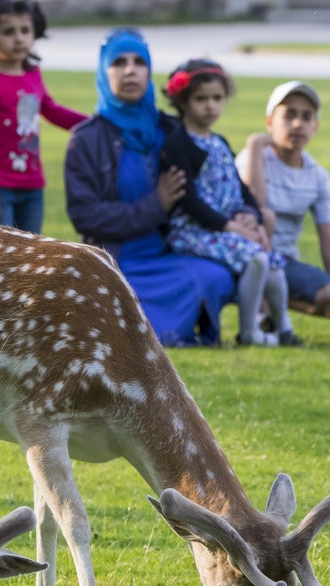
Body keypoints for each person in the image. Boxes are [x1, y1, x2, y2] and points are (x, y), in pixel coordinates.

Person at [64, 27, 235, 347]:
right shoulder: (87, 139)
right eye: (119, 62)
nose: (130, 70)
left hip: (168, 255)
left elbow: (221, 179)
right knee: (115, 294)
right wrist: (156, 204)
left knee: (216, 276)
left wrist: (247, 214)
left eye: (139, 62)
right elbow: (85, 216)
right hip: (115, 261)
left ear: (149, 71)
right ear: (104, 72)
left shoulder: (171, 129)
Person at [160, 60, 298, 347]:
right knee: (257, 258)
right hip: (194, 231)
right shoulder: (179, 144)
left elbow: (241, 189)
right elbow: (188, 200)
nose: (210, 106)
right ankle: (248, 331)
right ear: (183, 102)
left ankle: (284, 328)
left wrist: (254, 219)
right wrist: (231, 227)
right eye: (201, 99)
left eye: (217, 98)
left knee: (272, 262)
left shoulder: (219, 142)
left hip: (227, 227)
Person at [237, 80, 330, 342]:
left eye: (307, 117)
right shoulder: (251, 159)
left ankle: (272, 307)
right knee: (265, 223)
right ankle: (265, 314)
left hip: (284, 263)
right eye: (289, 115)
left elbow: (329, 241)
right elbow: (254, 207)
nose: (297, 124)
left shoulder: (318, 176)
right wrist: (255, 147)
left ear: (315, 126)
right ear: (270, 121)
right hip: (242, 257)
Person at [0, 0, 86, 234]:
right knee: (5, 251)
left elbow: (51, 110)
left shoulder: (33, 75)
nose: (19, 38)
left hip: (33, 186)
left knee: (32, 250)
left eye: (25, 30)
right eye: (8, 32)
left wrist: (93, 123)